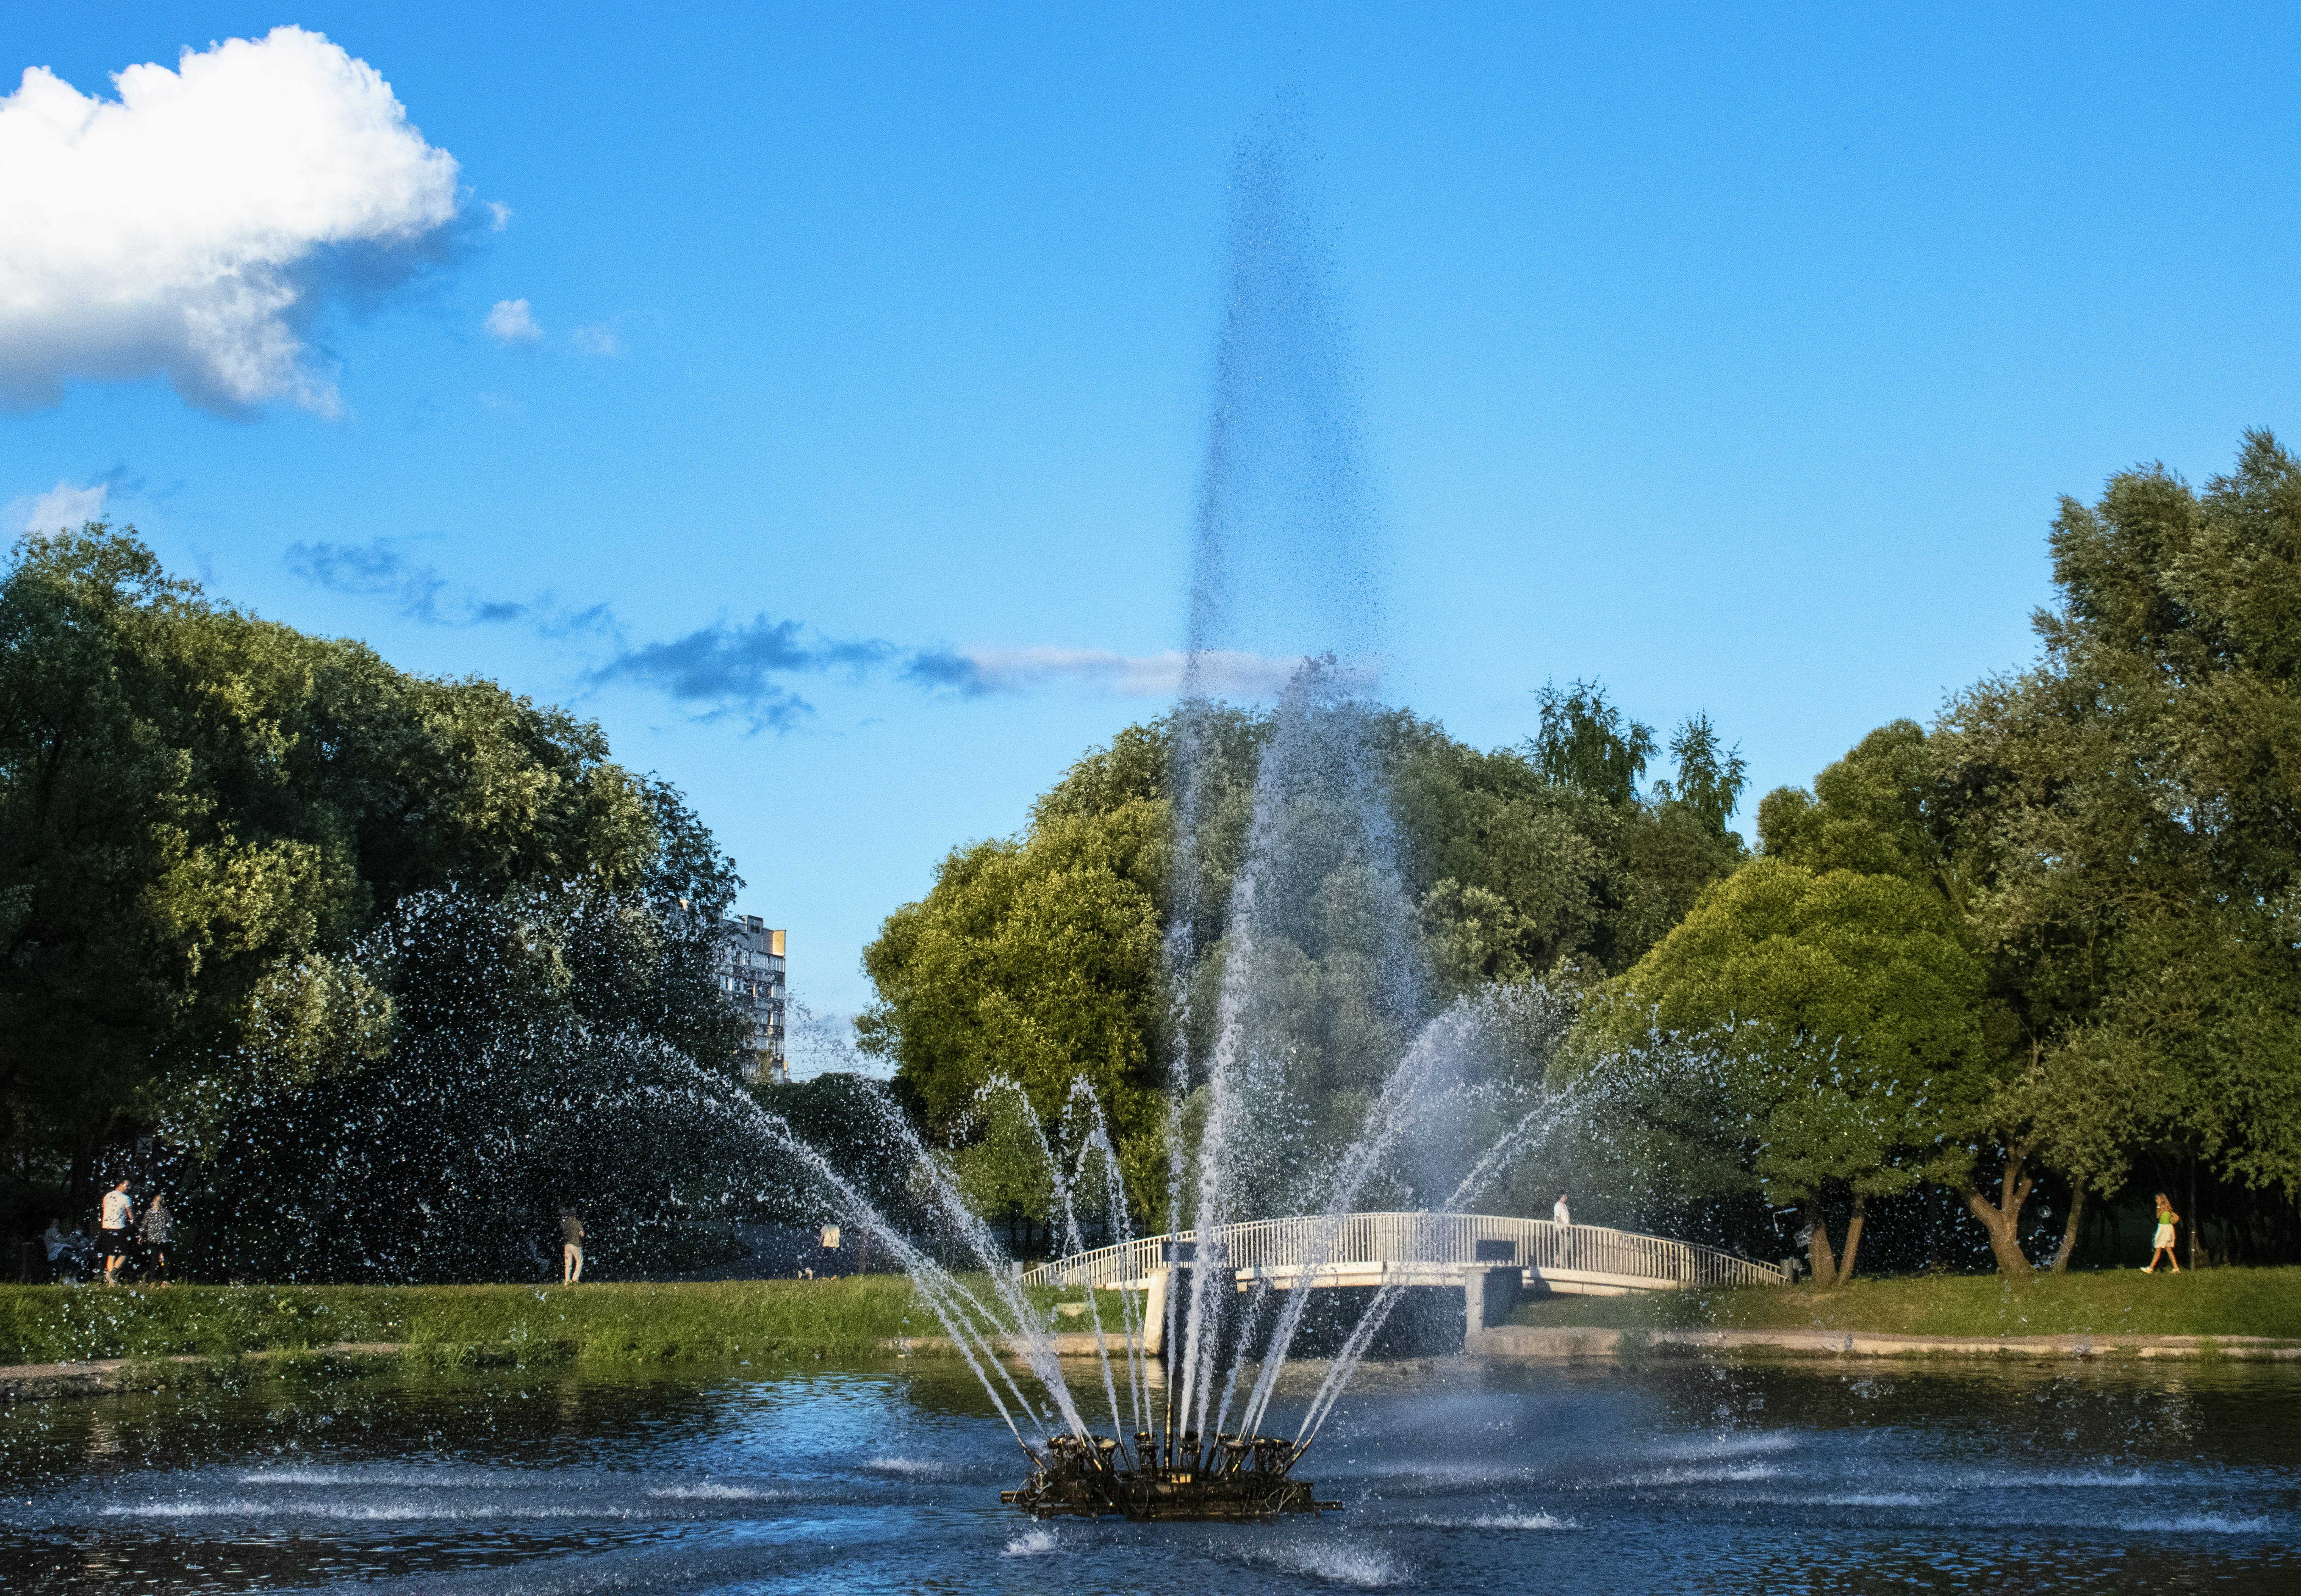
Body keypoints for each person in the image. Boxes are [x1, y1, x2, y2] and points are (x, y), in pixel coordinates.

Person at [99, 1179, 136, 1285]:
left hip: (106, 1228)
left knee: (111, 1254)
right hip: (119, 1229)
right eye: (127, 1186)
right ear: (120, 1185)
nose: (129, 1188)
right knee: (125, 1253)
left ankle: (112, 1281)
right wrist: (135, 1225)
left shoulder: (107, 1196)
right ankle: (113, 1274)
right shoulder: (126, 1198)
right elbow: (131, 1215)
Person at [2144, 1193, 2182, 1273]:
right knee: (2168, 1249)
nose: (2157, 1201)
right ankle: (2176, 1268)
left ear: (2161, 1199)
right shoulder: (2168, 1207)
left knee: (2158, 1248)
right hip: (2167, 1228)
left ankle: (2151, 1268)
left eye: (2158, 1199)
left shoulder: (2163, 1207)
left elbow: (2158, 1216)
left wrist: (2158, 1206)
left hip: (2164, 1229)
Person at [141, 1194, 173, 1285]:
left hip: (152, 1240)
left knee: (154, 1260)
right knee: (165, 1259)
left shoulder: (149, 1212)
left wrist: (142, 1236)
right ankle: (165, 1280)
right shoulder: (166, 1212)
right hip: (163, 1240)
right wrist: (173, 1235)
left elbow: (144, 1226)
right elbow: (170, 1226)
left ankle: (152, 1281)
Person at [559, 1208, 585, 1285]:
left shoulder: (565, 1223)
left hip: (567, 1245)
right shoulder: (578, 1223)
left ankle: (567, 1280)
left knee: (568, 1263)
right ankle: (575, 1278)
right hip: (576, 1245)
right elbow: (582, 1234)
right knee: (580, 1261)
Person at [1553, 1191, 1572, 1268]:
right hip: (1561, 1229)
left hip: (1566, 1229)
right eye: (1564, 1197)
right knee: (1563, 1247)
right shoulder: (1557, 1206)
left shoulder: (1564, 1205)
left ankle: (1558, 1259)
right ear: (1561, 1197)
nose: (1566, 1198)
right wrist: (1563, 1226)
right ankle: (1563, 1264)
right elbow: (1558, 1217)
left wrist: (1567, 1226)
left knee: (1568, 1247)